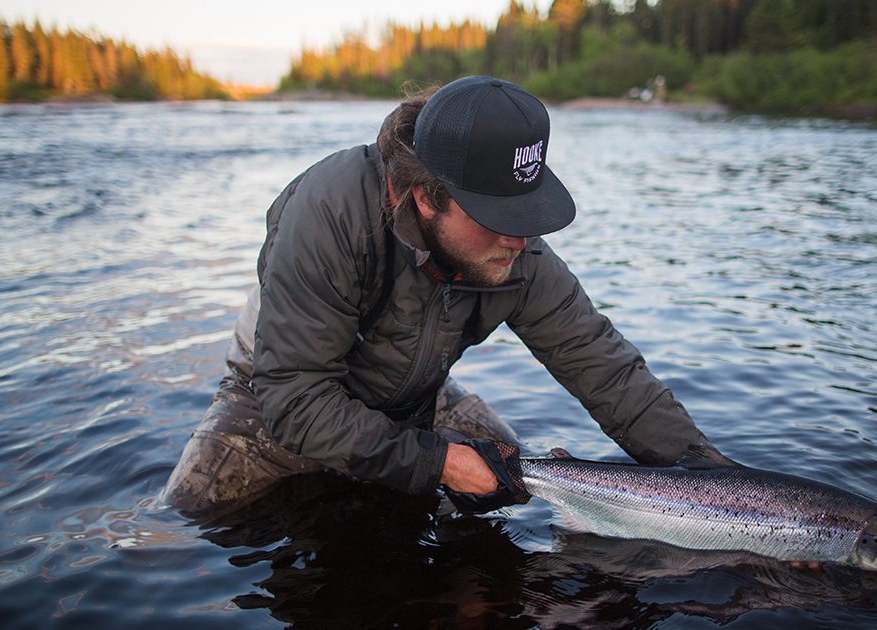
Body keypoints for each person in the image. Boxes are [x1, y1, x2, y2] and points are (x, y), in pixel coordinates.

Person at [161, 76, 728, 514]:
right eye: (497, 216)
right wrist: (440, 463)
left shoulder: (517, 253)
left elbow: (609, 373)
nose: (521, 239)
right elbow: (296, 399)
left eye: (527, 213)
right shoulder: (330, 214)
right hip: (279, 395)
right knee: (186, 523)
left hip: (415, 393)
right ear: (424, 196)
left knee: (517, 483)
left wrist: (720, 481)